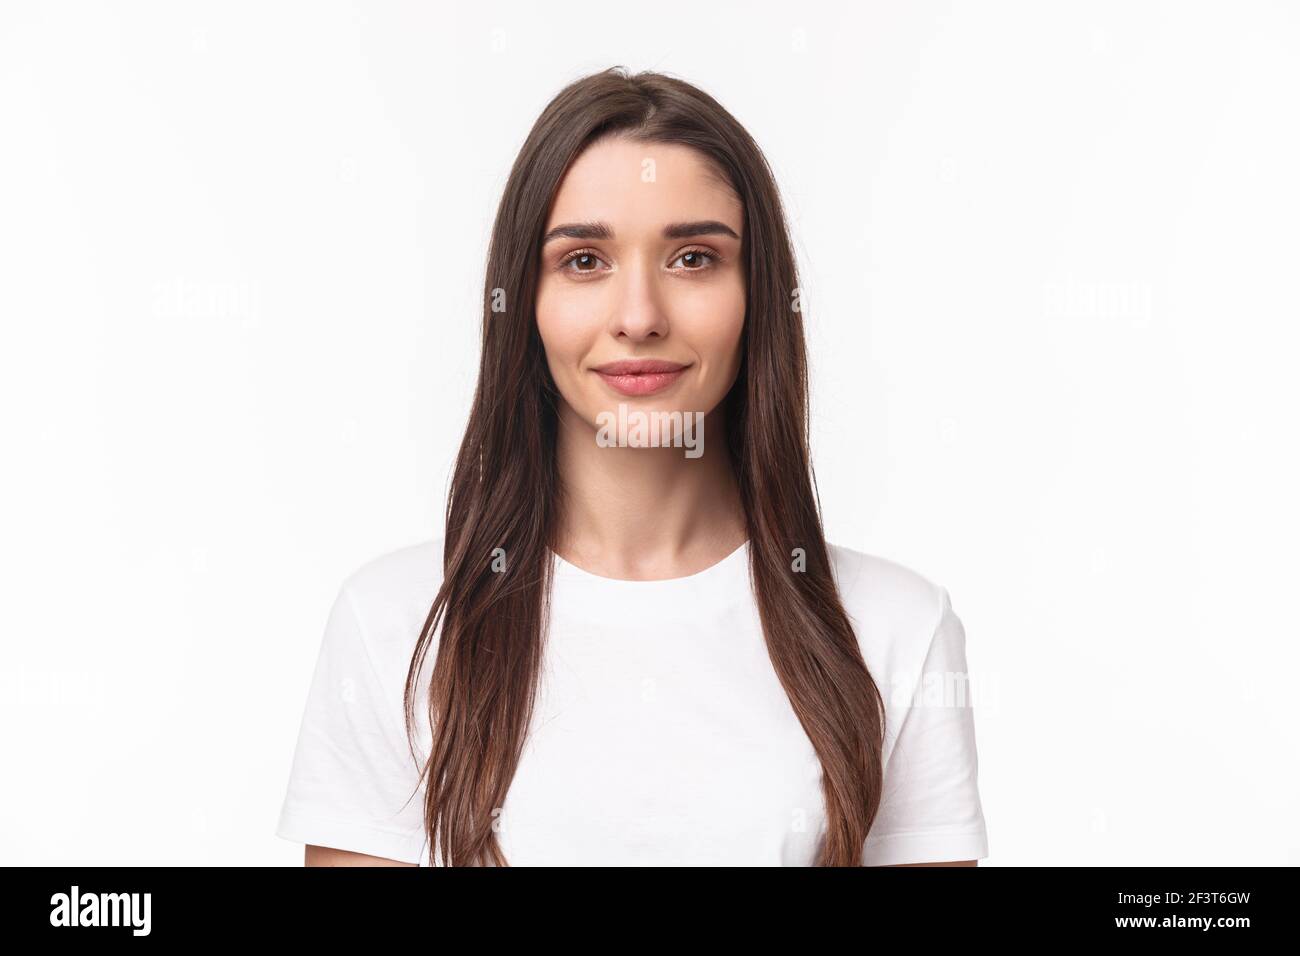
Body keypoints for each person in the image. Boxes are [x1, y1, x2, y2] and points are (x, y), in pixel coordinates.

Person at [275, 66, 989, 867]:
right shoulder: (396, 623)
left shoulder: (898, 628)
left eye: (692, 258)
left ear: (758, 293)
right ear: (525, 299)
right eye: (584, 260)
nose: (640, 317)